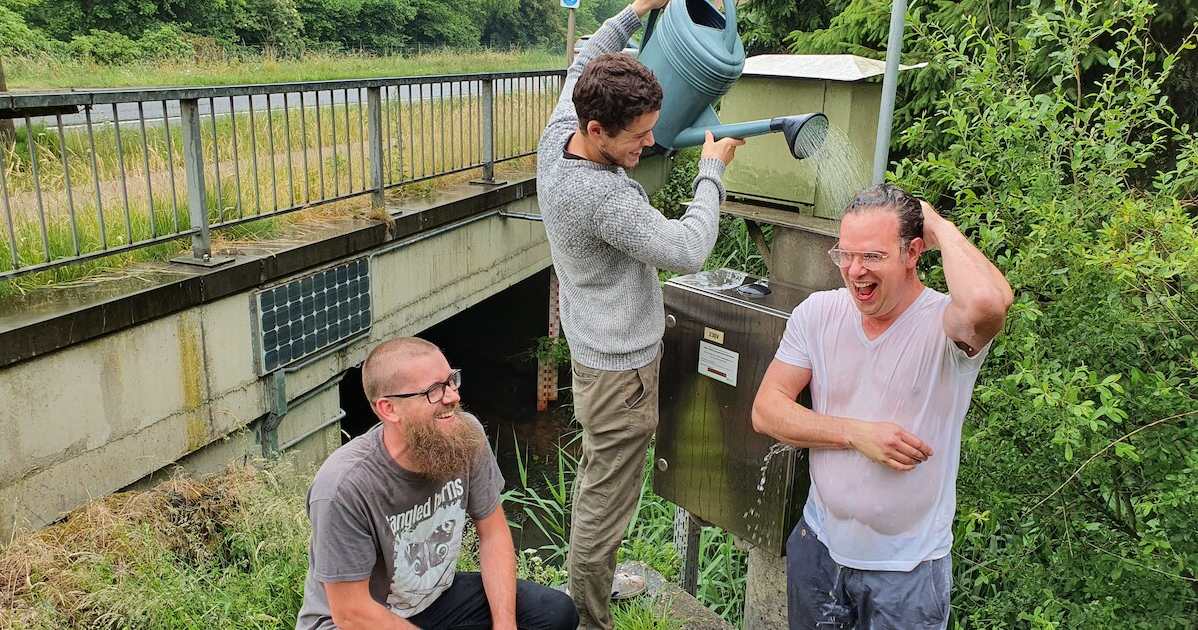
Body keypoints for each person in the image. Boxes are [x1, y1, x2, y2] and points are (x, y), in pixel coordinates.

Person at [535, 1, 745, 628]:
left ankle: (594, 582)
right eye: (638, 136)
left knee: (600, 482)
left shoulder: (560, 133)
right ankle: (589, 616)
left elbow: (586, 57)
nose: (651, 142)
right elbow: (687, 249)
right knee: (607, 502)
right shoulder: (602, 198)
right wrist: (711, 173)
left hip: (597, 350)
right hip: (620, 373)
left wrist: (635, 11)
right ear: (598, 129)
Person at [751, 184, 1014, 629]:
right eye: (845, 254)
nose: (855, 270)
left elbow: (988, 302)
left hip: (907, 570)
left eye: (872, 256)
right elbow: (767, 410)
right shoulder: (818, 313)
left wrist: (937, 223)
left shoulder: (946, 326)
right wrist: (857, 434)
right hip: (818, 546)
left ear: (913, 252)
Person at [296, 337, 579, 630]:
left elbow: (493, 534)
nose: (453, 397)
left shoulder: (464, 436)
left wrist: (505, 624)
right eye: (433, 390)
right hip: (356, 620)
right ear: (389, 409)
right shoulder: (343, 487)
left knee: (555, 613)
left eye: (451, 381)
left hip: (432, 600)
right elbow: (351, 612)